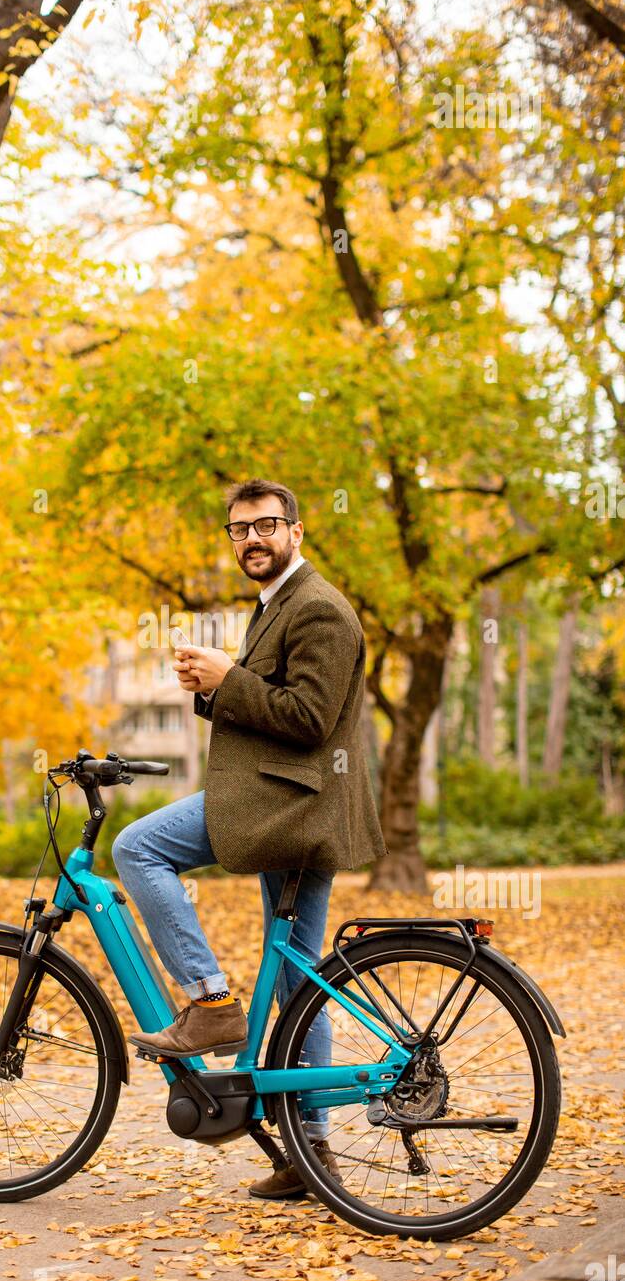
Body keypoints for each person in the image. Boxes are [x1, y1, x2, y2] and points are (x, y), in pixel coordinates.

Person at [111, 478, 387, 1197]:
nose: (252, 539)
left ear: (296, 531)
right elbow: (272, 706)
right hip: (287, 804)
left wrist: (227, 677)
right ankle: (311, 1153)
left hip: (287, 808)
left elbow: (309, 720)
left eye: (266, 525)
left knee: (138, 848)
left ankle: (210, 1003)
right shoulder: (278, 606)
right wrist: (213, 686)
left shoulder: (319, 608)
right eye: (239, 530)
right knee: (301, 983)